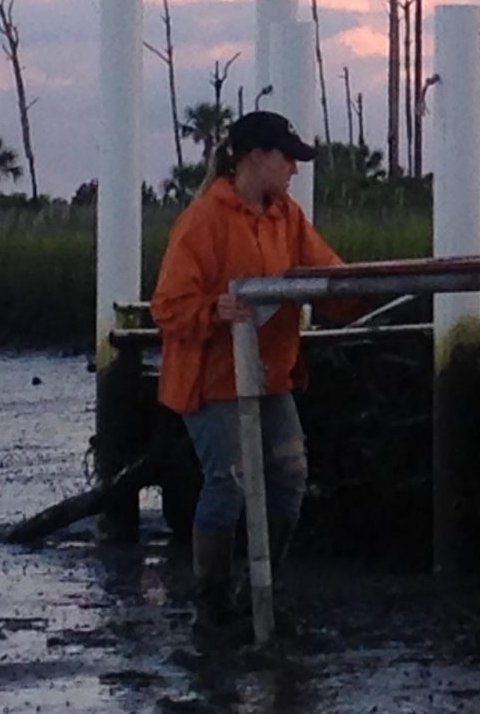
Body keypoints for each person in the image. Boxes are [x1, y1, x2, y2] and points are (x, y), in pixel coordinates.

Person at [150, 111, 350, 643]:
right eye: (288, 159)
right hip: (211, 379)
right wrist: (214, 311)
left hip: (270, 375)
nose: (293, 170)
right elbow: (167, 306)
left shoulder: (288, 216)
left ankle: (259, 590)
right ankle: (212, 604)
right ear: (255, 159)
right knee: (230, 481)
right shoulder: (201, 220)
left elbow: (327, 270)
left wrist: (363, 292)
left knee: (289, 475)